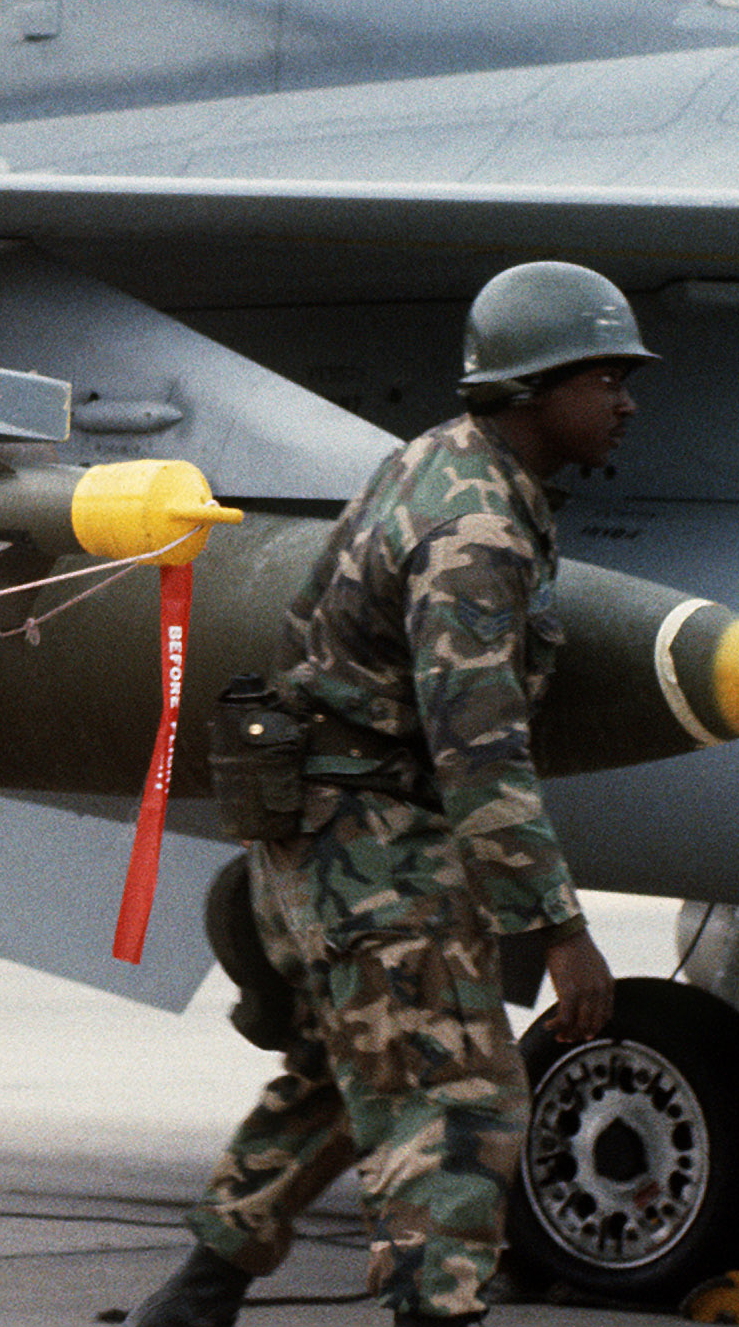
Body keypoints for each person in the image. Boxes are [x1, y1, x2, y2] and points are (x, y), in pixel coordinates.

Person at [127, 261, 649, 1327]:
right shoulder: (477, 530)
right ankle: (430, 1312)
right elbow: (479, 751)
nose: (627, 400)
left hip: (329, 827)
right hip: (372, 840)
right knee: (457, 1101)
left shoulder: (439, 463)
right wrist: (559, 930)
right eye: (605, 377)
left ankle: (194, 1299)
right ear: (533, 387)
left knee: (346, 1071)